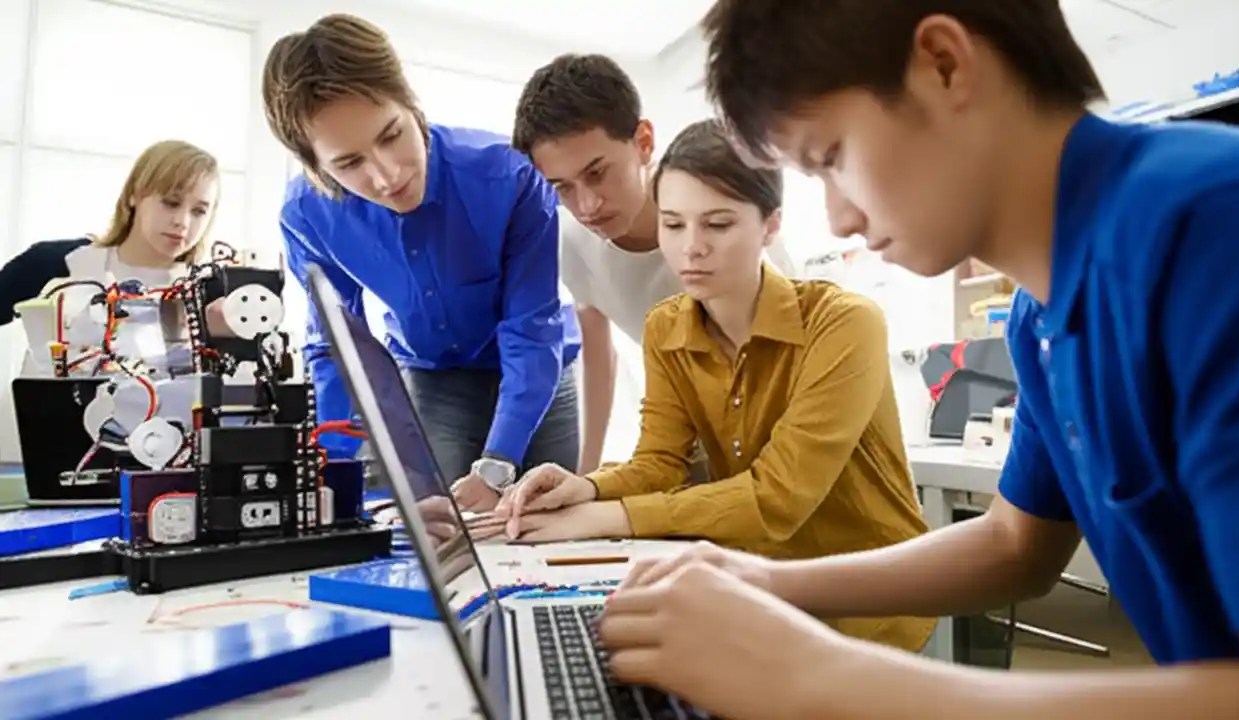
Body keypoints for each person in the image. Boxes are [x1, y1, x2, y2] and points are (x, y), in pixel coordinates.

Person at [594, 1, 1239, 718]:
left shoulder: (1229, 229)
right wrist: (765, 584)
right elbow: (1015, 545)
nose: (839, 218)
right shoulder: (1039, 315)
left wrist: (819, 674)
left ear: (944, 66)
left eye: (833, 159)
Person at [497, 119, 935, 653]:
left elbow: (778, 498)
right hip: (757, 587)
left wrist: (603, 516)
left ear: (770, 226)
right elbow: (660, 461)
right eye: (674, 225)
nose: (691, 249)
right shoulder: (665, 327)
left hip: (870, 604)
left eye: (718, 224)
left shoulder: (844, 323)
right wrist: (585, 486)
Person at [261, 14, 581, 515]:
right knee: (440, 527)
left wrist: (498, 464)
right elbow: (338, 344)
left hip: (542, 371)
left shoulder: (510, 176)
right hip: (434, 376)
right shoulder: (306, 214)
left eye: (392, 136)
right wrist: (331, 471)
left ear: (411, 103)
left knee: (544, 524)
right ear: (315, 166)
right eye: (349, 164)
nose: (386, 176)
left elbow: (530, 329)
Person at [512, 54, 796, 474]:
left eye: (597, 173)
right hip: (696, 429)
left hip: (780, 416)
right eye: (562, 187)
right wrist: (586, 471)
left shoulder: (712, 196)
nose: (587, 206)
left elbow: (790, 338)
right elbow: (597, 355)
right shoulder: (572, 240)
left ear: (643, 142)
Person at [1, 139, 221, 328]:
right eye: (171, 202)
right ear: (134, 195)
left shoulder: (211, 294)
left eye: (199, 211)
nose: (182, 222)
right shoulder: (58, 263)